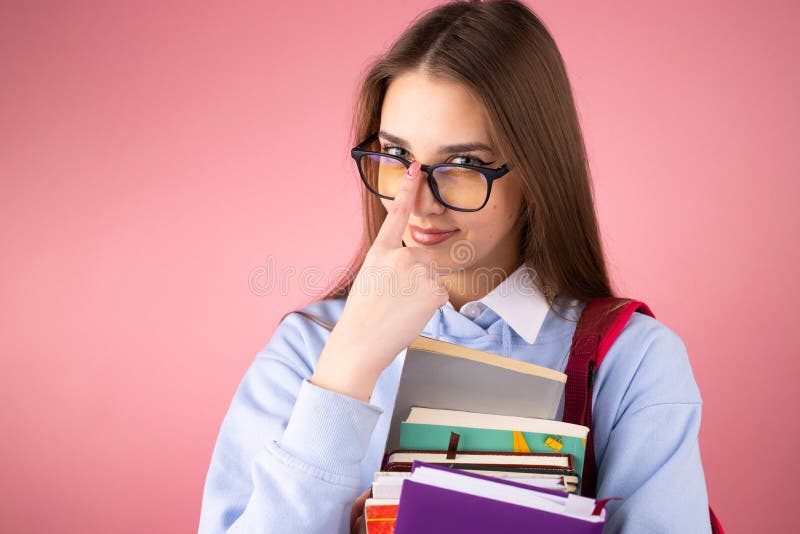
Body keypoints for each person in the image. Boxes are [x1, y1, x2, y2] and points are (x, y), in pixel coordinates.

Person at [198, 1, 711, 532]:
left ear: (537, 174)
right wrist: (346, 370)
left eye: (464, 164)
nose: (416, 199)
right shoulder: (307, 348)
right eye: (396, 154)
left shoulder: (631, 362)